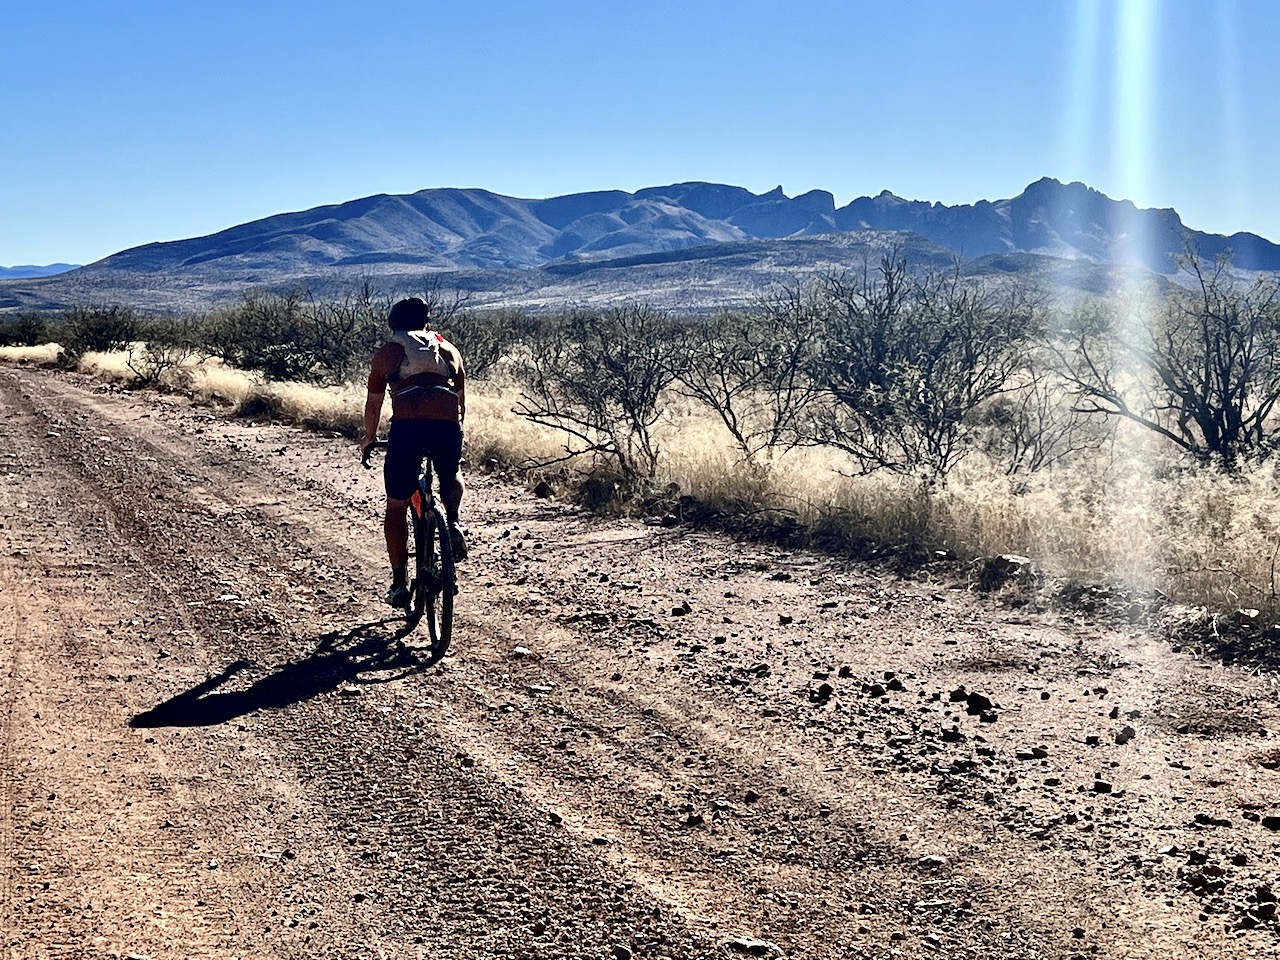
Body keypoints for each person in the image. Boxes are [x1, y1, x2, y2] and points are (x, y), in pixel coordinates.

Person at [361, 296, 468, 608]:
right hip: (446, 427)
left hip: (408, 429)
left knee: (396, 504)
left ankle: (398, 582)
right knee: (451, 472)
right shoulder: (449, 350)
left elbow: (374, 404)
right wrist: (454, 433)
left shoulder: (388, 353)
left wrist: (369, 438)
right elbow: (461, 404)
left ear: (394, 326)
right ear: (427, 323)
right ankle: (453, 521)